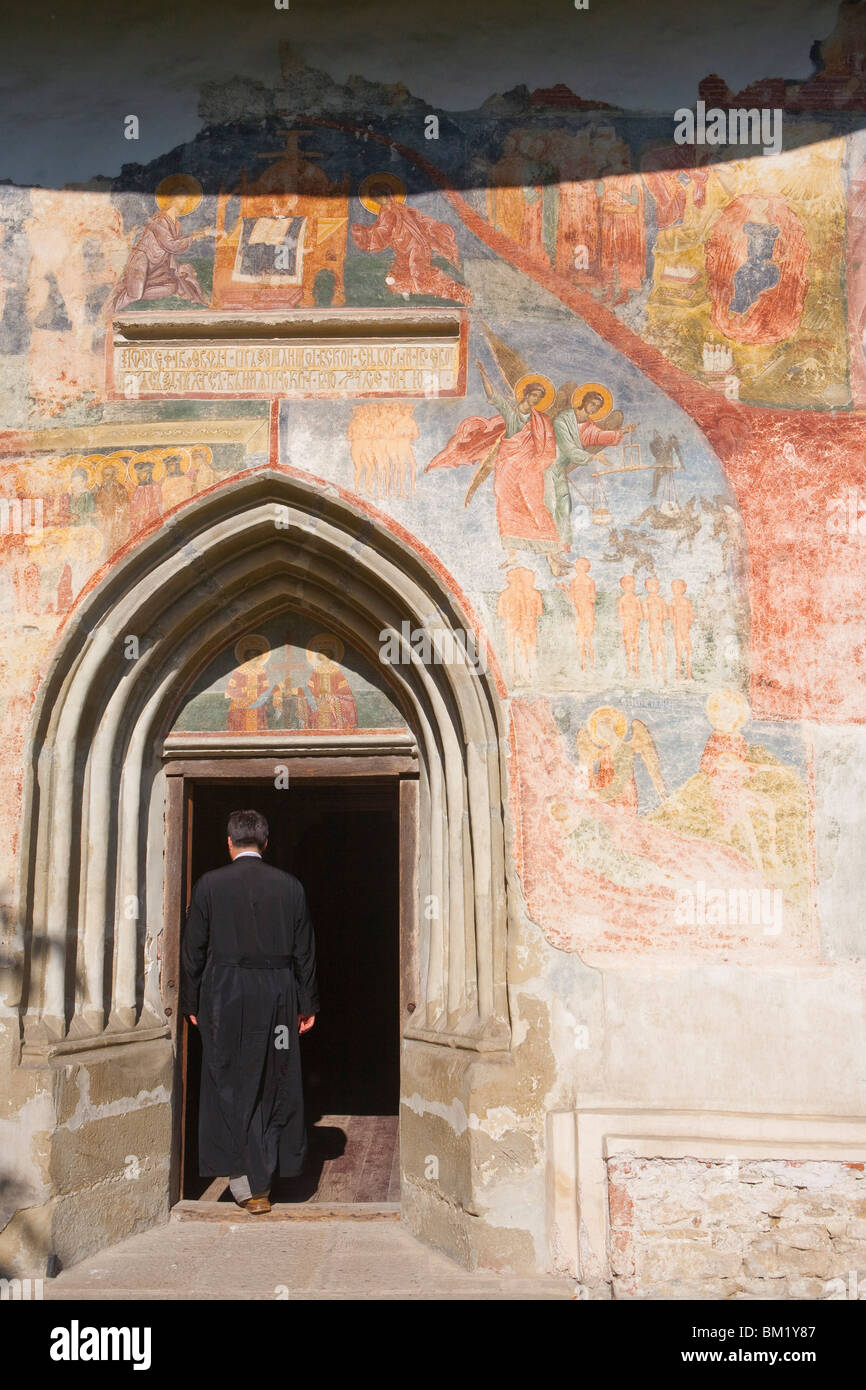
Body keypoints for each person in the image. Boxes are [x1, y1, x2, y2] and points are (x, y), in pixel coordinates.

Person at [181, 809, 319, 1214]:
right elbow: (305, 952)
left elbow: (193, 950)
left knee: (229, 1080)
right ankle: (259, 1179)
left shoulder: (209, 885)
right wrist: (306, 1002)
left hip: (224, 994)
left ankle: (245, 1179)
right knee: (272, 1080)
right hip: (277, 993)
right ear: (265, 842)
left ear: (229, 841)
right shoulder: (290, 886)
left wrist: (191, 1002)